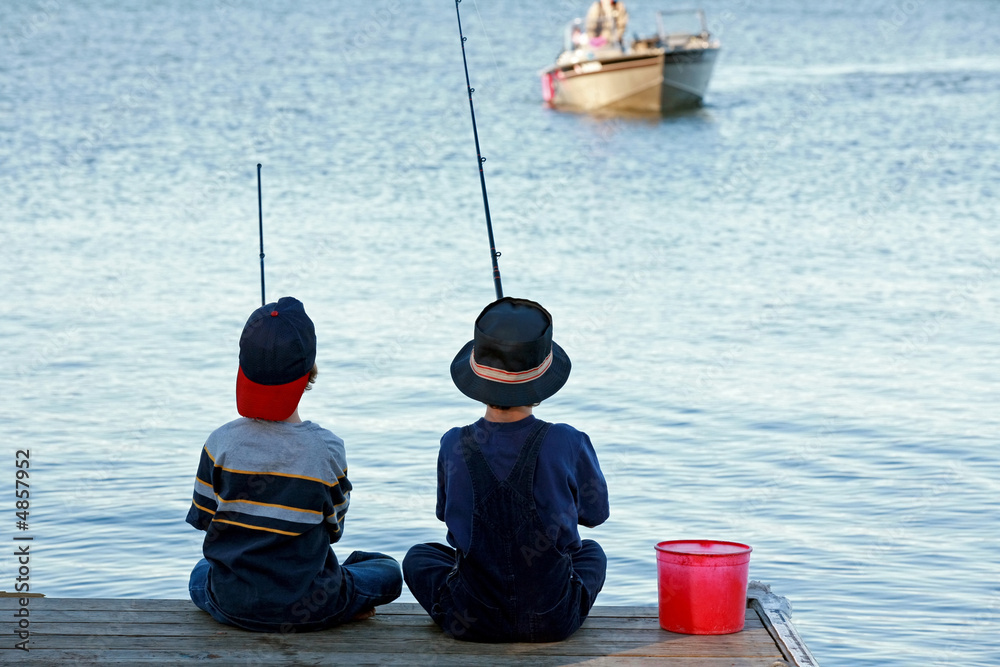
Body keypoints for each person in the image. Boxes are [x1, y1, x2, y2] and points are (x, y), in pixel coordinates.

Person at [186, 296, 402, 632]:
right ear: (310, 372)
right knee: (388, 570)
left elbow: (205, 518)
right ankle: (344, 603)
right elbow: (334, 529)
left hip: (231, 602)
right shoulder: (327, 448)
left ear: (243, 369)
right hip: (311, 604)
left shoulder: (220, 443)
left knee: (200, 572)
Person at [403, 297, 610, 642]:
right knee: (591, 552)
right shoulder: (567, 440)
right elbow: (595, 515)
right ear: (542, 381)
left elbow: (446, 516)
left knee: (419, 557)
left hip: (471, 619)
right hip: (552, 619)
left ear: (478, 379)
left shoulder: (454, 443)